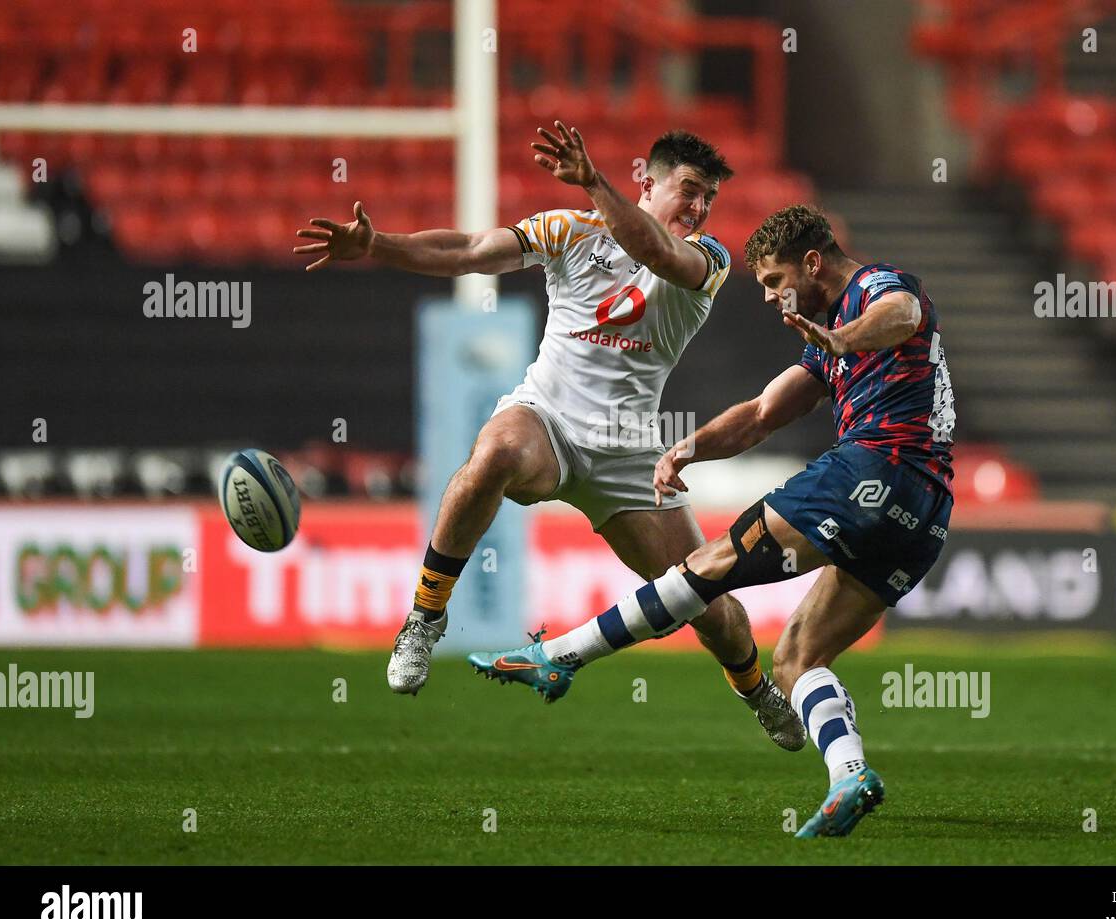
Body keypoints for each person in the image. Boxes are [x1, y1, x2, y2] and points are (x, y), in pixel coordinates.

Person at [292, 122, 805, 751]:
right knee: (496, 453)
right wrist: (380, 247)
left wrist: (593, 181)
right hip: (549, 420)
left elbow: (657, 256)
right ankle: (425, 617)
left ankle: (757, 691)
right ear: (646, 178)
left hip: (630, 451)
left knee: (710, 605)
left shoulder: (710, 260)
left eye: (709, 199)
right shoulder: (569, 230)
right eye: (690, 190)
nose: (699, 209)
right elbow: (469, 250)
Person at [469, 205, 957, 837]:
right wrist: (688, 448)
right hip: (925, 512)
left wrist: (843, 338)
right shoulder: (826, 345)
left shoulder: (874, 291)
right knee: (797, 658)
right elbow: (759, 414)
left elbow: (904, 315)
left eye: (776, 280)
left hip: (873, 467)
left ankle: (561, 655)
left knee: (707, 566)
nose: (771, 296)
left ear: (812, 263)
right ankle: (850, 775)